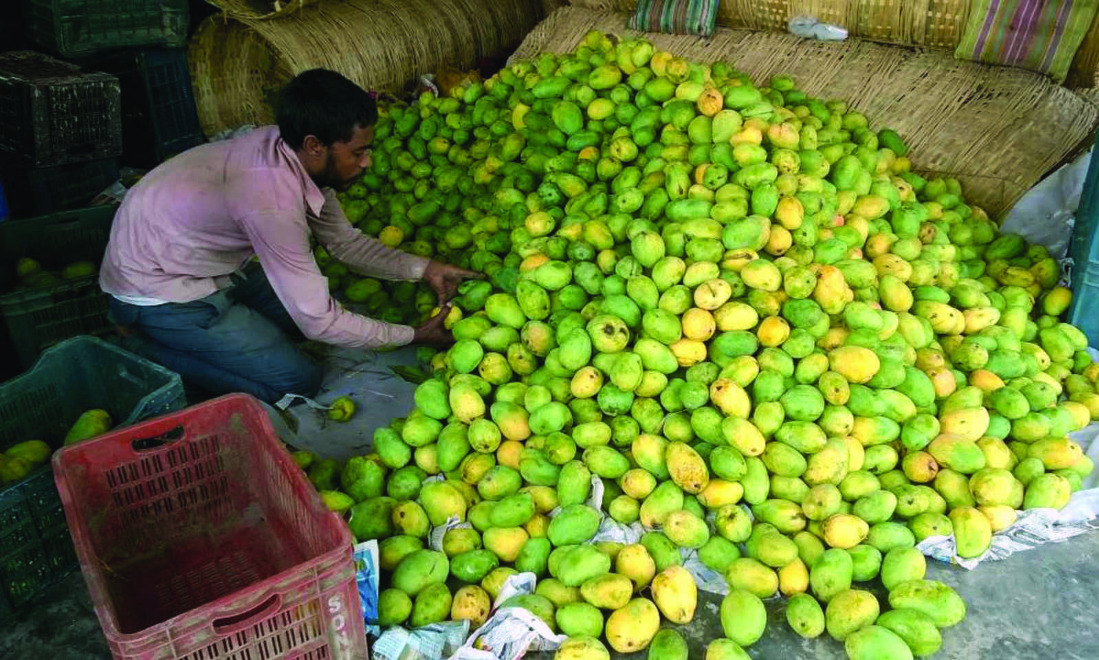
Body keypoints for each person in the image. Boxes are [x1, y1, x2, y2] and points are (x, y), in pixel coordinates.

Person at [100, 69, 477, 404]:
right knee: (297, 381)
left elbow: (345, 243)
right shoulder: (271, 203)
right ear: (315, 145)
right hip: (161, 288)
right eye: (359, 152)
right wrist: (411, 336)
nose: (368, 162)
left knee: (319, 319)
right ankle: (140, 347)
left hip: (203, 261)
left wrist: (425, 268)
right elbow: (319, 321)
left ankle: (200, 330)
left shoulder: (294, 153)